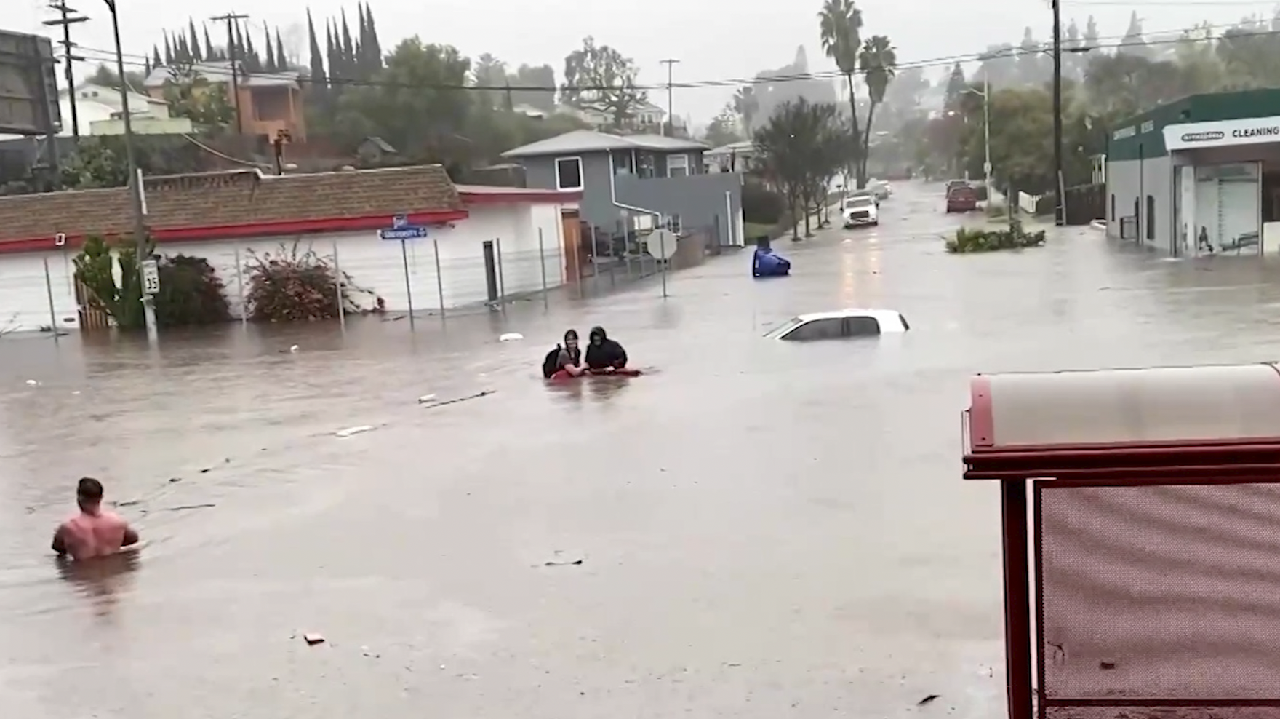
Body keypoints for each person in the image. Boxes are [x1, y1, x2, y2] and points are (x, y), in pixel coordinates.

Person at [51, 477, 138, 561]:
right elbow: (133, 539)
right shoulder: (118, 522)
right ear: (101, 497)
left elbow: (58, 548)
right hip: (112, 572)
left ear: (79, 498)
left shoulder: (68, 528)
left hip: (81, 574)